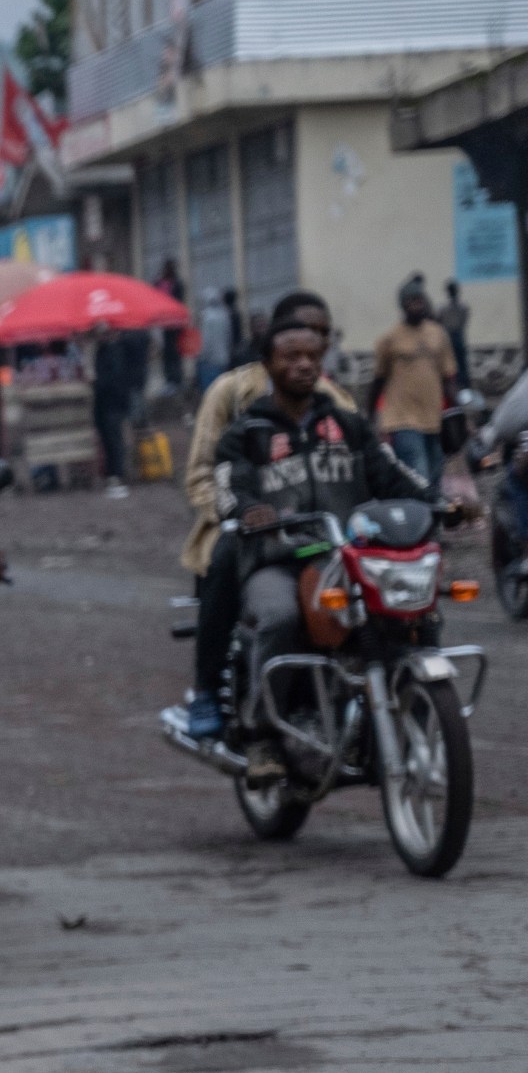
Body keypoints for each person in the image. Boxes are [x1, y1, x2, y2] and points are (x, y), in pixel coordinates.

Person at [215, 318, 431, 780]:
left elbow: (394, 477)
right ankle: (261, 737)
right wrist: (250, 510)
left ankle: (413, 714)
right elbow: (228, 489)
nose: (304, 365)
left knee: (414, 610)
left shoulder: (349, 425)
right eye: (291, 356)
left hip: (347, 557)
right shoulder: (247, 432)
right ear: (269, 363)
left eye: (312, 356)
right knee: (281, 618)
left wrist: (442, 503)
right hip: (278, 560)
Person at [179, 291, 355, 738]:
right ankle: (205, 689)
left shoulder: (337, 402)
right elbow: (202, 473)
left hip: (319, 538)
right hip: (242, 530)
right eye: (300, 336)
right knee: (226, 561)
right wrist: (236, 515)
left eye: (320, 337)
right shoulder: (231, 393)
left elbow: (363, 469)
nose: (309, 348)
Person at [369, 274, 458, 498]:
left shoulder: (438, 335)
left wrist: (458, 414)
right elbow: (378, 380)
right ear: (402, 306)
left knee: (435, 476)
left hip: (434, 419)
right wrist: (371, 417)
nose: (416, 305)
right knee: (418, 477)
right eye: (410, 302)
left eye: (419, 300)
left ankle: (433, 528)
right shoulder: (390, 339)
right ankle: (422, 529)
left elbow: (449, 377)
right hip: (403, 420)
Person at [90, 324, 136, 499]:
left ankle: (116, 474)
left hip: (112, 403)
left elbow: (113, 378)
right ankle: (113, 473)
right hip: (107, 403)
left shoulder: (115, 350)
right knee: (109, 439)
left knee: (113, 439)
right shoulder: (104, 350)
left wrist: (97, 382)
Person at [155, 257, 187, 390]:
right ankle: (169, 378)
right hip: (163, 323)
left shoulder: (177, 284)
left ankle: (177, 379)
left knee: (175, 352)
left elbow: (180, 301)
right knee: (167, 353)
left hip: (175, 323)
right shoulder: (159, 283)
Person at [196, 288, 233, 395]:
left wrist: (202, 356)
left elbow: (206, 341)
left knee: (210, 392)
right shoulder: (224, 315)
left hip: (210, 361)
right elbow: (228, 337)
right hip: (224, 359)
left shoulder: (206, 317)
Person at [439, 278, 471, 389]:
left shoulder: (443, 308)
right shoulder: (463, 307)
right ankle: (461, 385)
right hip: (455, 336)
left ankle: (460, 386)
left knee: (457, 363)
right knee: (457, 363)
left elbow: (441, 321)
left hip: (454, 336)